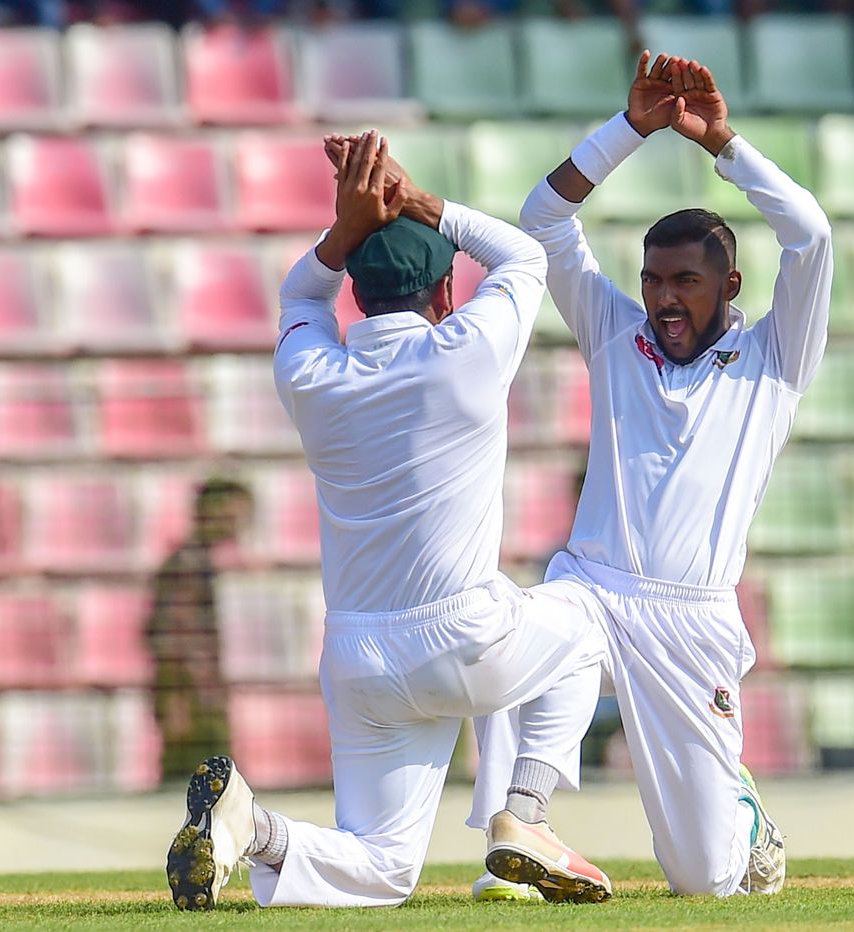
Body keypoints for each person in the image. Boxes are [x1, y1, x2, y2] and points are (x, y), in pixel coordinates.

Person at [164, 132, 611, 910]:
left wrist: (345, 230)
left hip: (360, 654)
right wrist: (417, 200)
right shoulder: (465, 353)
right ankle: (526, 815)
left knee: (383, 868)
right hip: (467, 639)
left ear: (358, 299)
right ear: (443, 298)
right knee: (595, 611)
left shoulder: (312, 374)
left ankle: (250, 828)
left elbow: (299, 298)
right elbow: (525, 256)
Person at [471, 51, 833, 898]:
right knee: (528, 635)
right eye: (653, 280)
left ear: (730, 286)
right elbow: (542, 220)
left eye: (686, 283)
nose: (665, 299)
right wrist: (630, 130)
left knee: (706, 880)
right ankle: (523, 826)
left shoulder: (775, 356)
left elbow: (811, 234)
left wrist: (722, 143)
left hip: (694, 623)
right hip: (591, 583)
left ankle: (741, 812)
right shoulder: (611, 329)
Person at [145, 477, 253, 783]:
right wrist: (177, 701)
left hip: (199, 694)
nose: (238, 525)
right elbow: (169, 641)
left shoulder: (197, 562)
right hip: (192, 700)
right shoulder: (187, 565)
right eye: (234, 516)